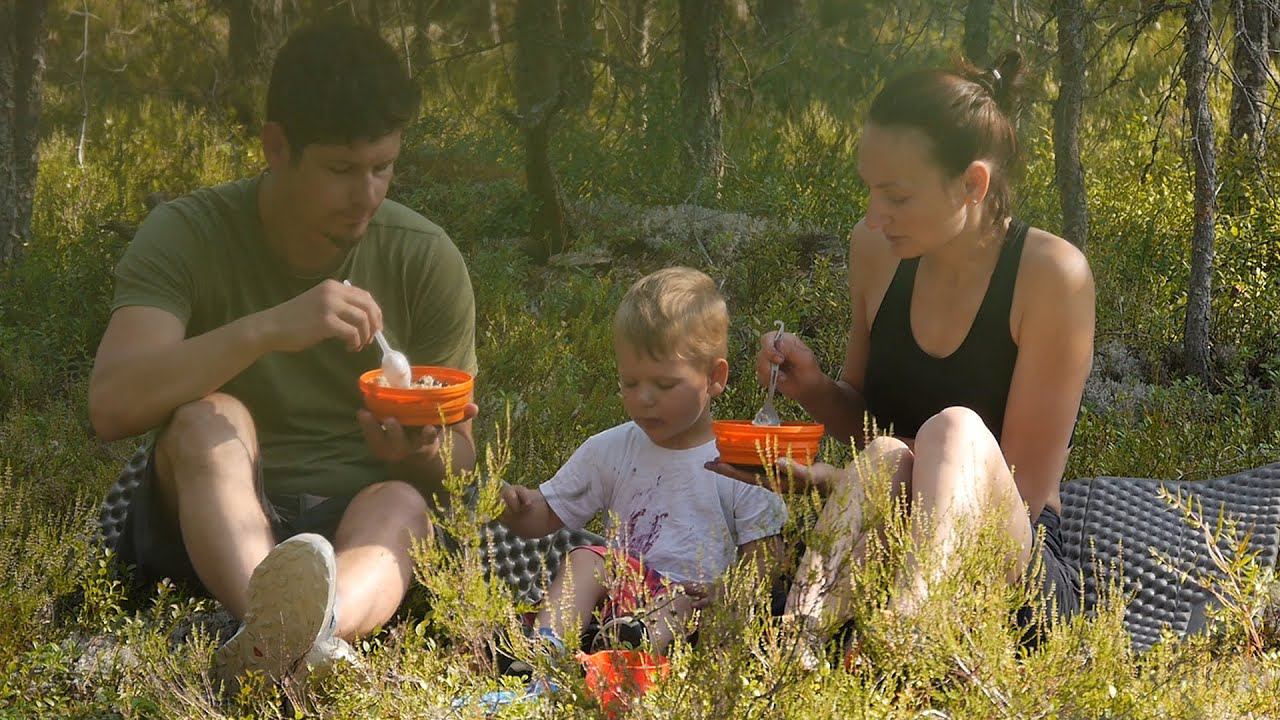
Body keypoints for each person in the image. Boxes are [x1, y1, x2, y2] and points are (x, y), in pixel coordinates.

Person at [88, 19, 478, 687]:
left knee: (403, 504)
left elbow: (466, 459)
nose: (367, 195)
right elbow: (113, 403)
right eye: (340, 169)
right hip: (209, 525)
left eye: (383, 167)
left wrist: (420, 451)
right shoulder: (188, 234)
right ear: (276, 147)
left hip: (359, 517)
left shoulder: (423, 257)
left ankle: (286, 639)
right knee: (208, 418)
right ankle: (286, 627)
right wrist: (266, 329)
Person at [708, 51, 1095, 661]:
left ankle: (910, 626)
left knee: (955, 429)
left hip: (1014, 582)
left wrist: (836, 481)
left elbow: (1020, 493)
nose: (872, 215)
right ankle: (798, 649)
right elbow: (868, 426)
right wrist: (812, 389)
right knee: (887, 453)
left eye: (896, 196)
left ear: (973, 184)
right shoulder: (877, 249)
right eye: (869, 191)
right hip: (882, 545)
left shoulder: (1051, 277)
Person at [498, 267, 788, 656]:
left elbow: (767, 558)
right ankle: (545, 651)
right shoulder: (610, 450)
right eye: (630, 383)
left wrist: (730, 592)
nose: (644, 398)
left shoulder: (740, 461)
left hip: (703, 617)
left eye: (664, 384)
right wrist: (511, 504)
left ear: (714, 378)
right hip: (623, 598)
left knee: (678, 603)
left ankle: (626, 653)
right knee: (588, 558)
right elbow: (543, 516)